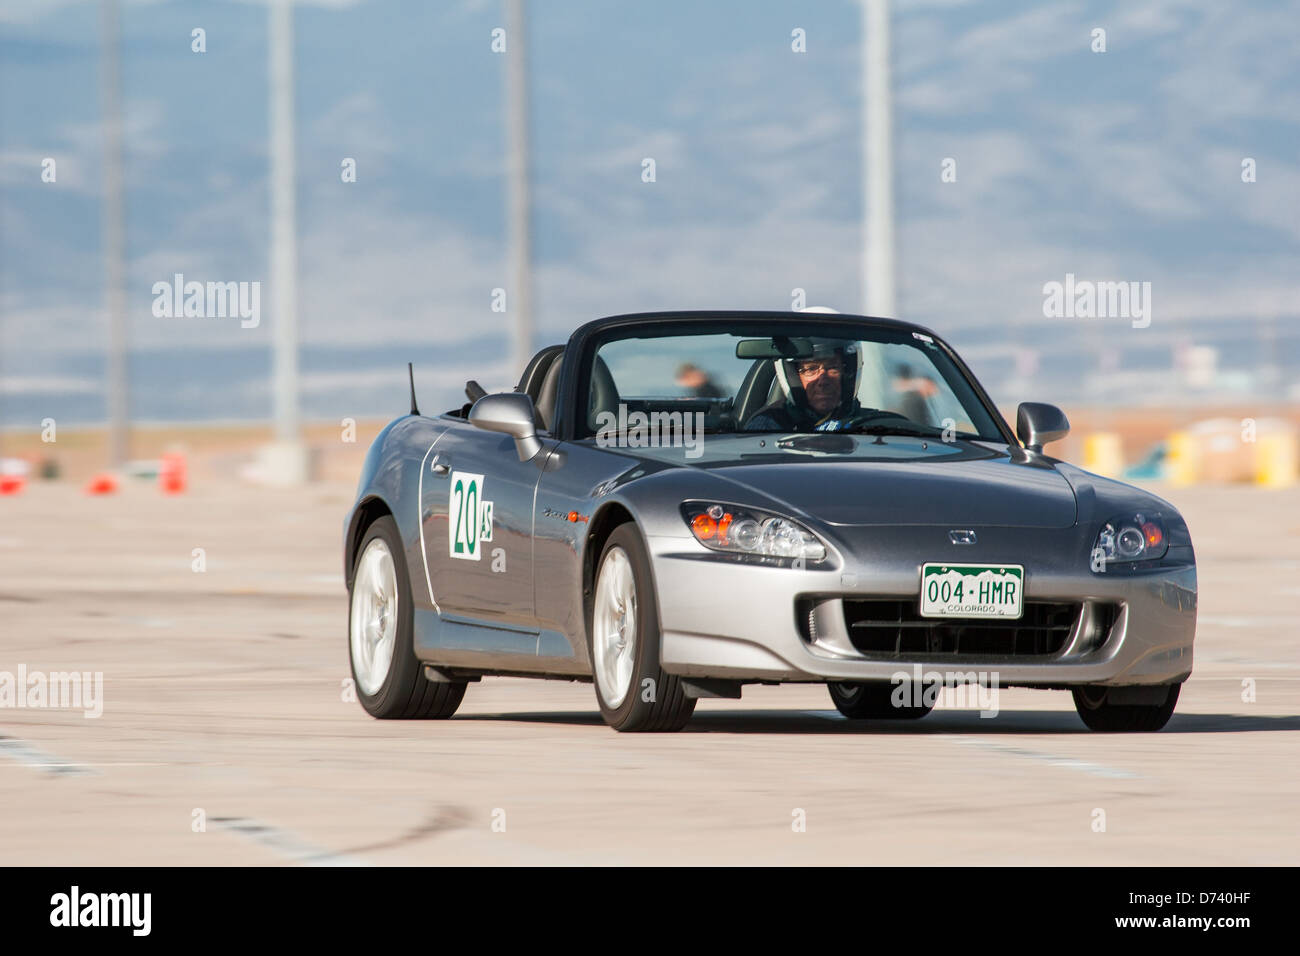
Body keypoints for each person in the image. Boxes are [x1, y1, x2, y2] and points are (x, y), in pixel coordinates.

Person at [744, 338, 863, 432]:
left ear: (846, 374)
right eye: (810, 369)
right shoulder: (768, 425)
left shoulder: (869, 425)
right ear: (794, 377)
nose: (823, 381)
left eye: (832, 368)